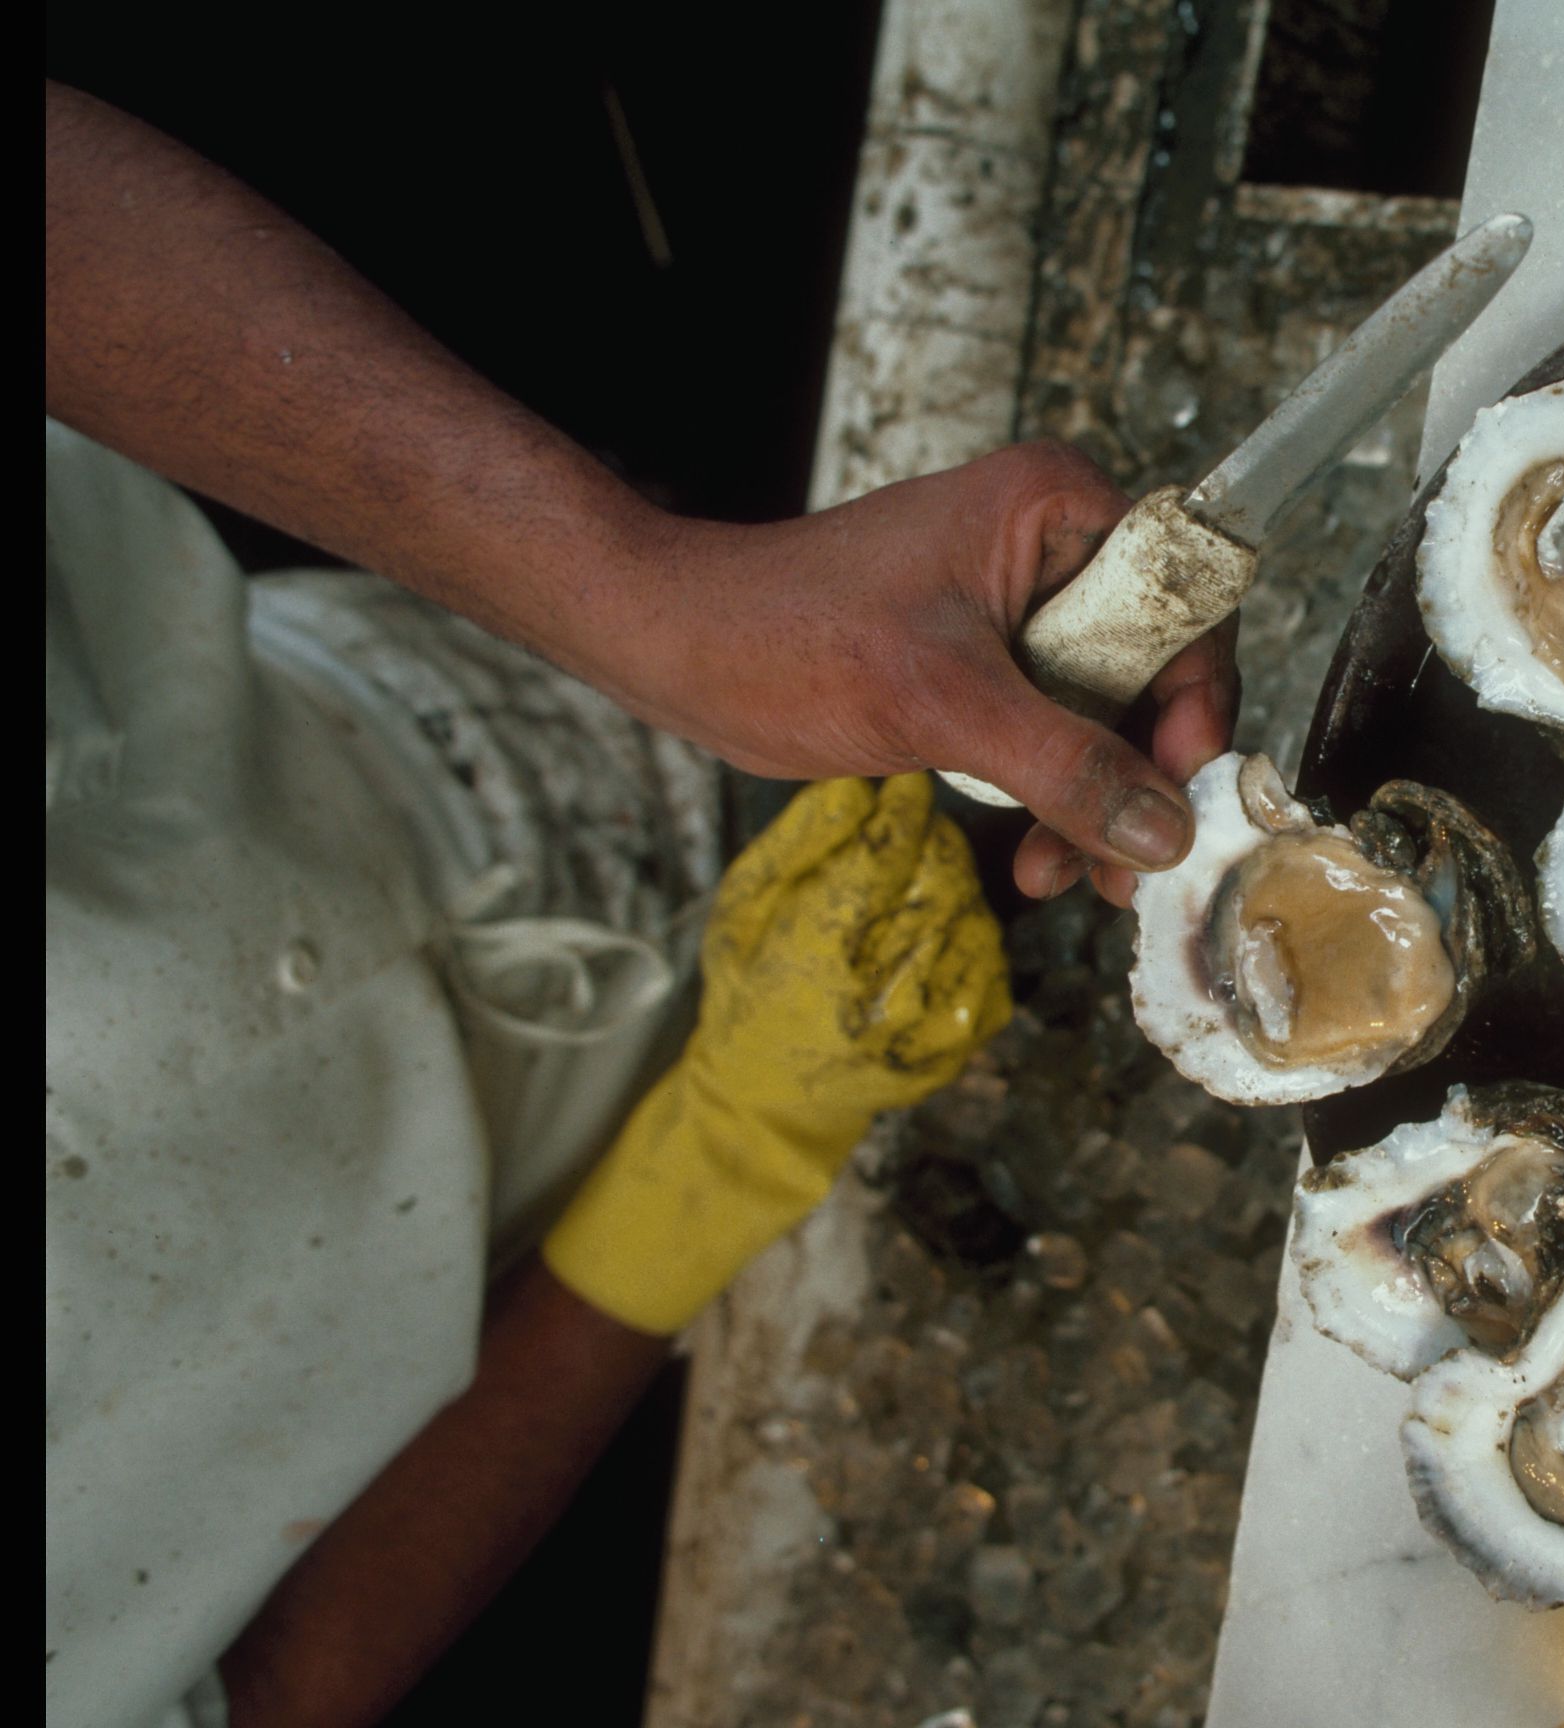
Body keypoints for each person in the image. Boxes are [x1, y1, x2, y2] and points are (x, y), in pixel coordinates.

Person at [43, 79, 1237, 1728]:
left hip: (482, 653)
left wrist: (643, 598)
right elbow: (270, 1693)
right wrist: (717, 1162)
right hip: (597, 1192)